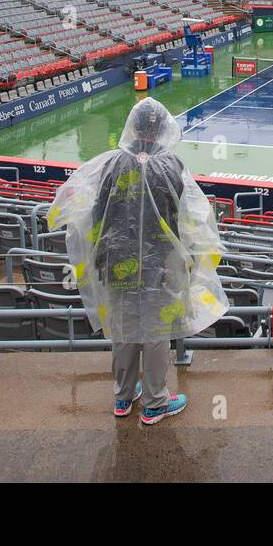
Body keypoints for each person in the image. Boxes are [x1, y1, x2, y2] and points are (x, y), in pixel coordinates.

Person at [46, 99, 229, 426]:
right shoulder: (172, 166)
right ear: (160, 129)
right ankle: (156, 400)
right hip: (160, 265)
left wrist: (103, 257)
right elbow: (187, 219)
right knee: (156, 331)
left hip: (117, 263)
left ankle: (123, 395)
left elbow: (97, 214)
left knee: (123, 328)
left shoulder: (113, 164)